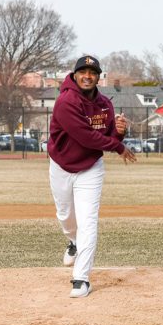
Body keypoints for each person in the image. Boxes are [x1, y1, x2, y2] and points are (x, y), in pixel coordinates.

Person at [47, 55, 136, 298]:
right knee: (66, 216)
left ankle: (81, 279)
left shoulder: (105, 104)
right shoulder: (65, 101)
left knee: (88, 221)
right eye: (83, 72)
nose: (88, 76)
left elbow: (106, 138)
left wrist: (120, 133)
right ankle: (73, 242)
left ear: (98, 77)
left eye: (93, 72)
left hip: (91, 168)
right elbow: (84, 136)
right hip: (62, 165)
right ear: (75, 75)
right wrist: (118, 147)